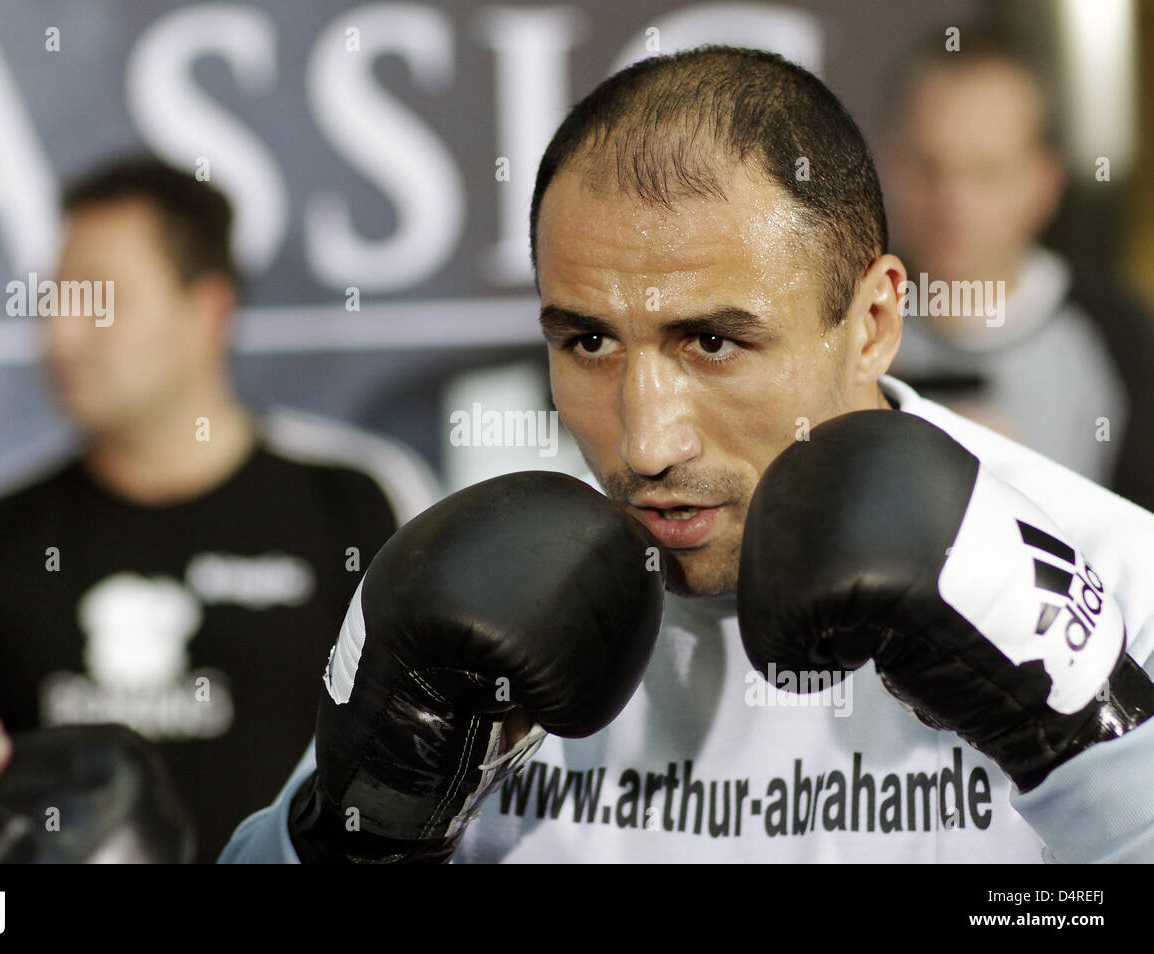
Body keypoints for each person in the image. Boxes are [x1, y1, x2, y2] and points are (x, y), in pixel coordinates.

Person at [221, 45, 1154, 864]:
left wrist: (1090, 747)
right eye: (587, 342)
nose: (645, 442)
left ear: (871, 322)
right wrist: (353, 834)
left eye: (713, 342)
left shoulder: (1113, 581)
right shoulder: (485, 607)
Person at [0, 157, 439, 863]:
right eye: (54, 301)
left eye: (99, 302)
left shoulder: (358, 501)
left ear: (207, 309)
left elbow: (429, 774)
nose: (62, 336)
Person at [884, 30, 1154, 511]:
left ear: (1044, 182)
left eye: (986, 172)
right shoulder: (837, 322)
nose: (953, 203)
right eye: (929, 167)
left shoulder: (1124, 344)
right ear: (887, 164)